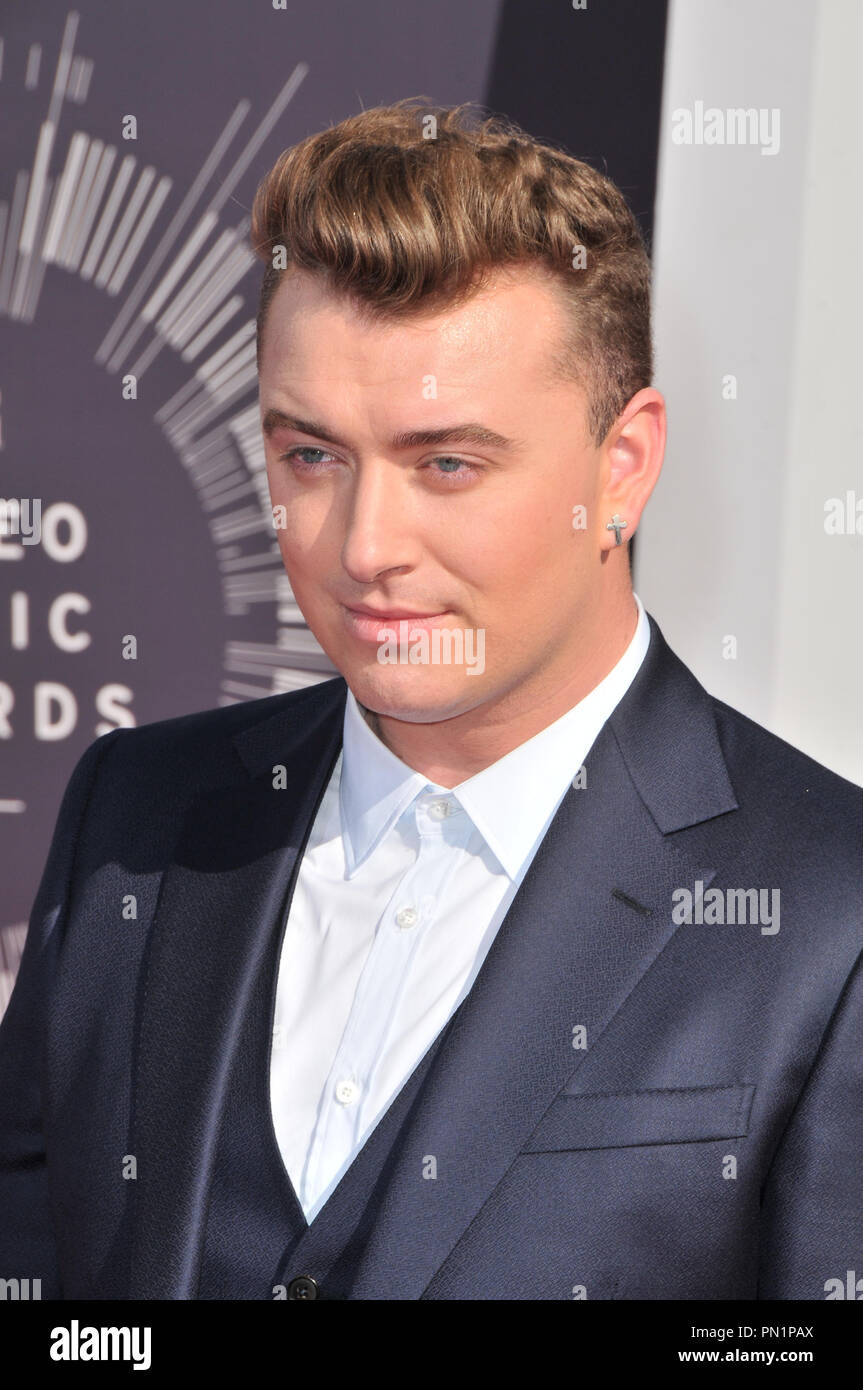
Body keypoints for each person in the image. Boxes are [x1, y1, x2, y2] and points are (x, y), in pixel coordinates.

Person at [0, 98, 861, 1301]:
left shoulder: (830, 907)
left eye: (445, 464)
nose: (365, 546)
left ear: (621, 470)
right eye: (312, 455)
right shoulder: (133, 818)